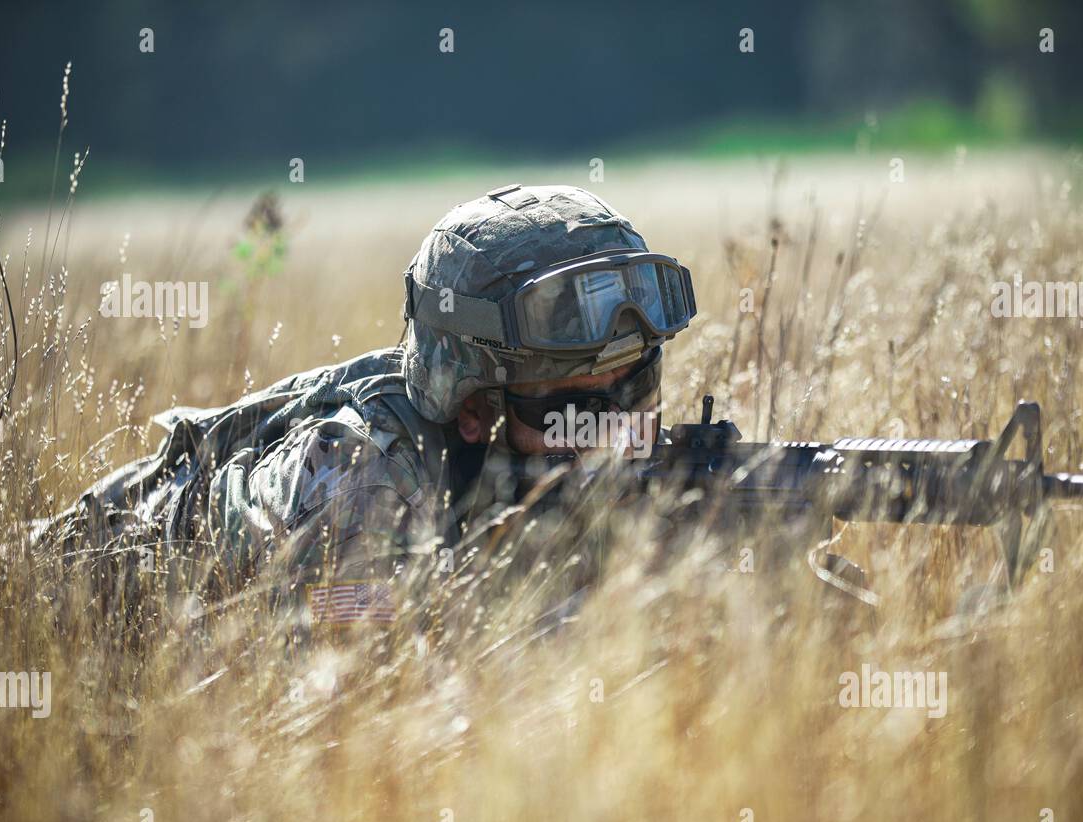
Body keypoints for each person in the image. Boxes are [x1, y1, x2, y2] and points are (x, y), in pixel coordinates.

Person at [36, 184, 697, 627]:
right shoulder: (361, 475)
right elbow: (343, 681)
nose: (615, 427)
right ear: (472, 411)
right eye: (564, 408)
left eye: (635, 385)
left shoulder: (585, 464)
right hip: (66, 602)